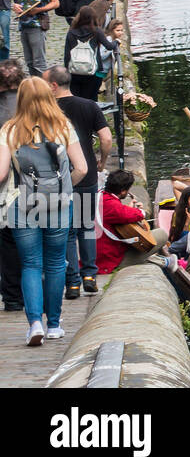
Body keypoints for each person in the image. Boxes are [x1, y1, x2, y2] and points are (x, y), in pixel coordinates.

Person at [0, 76, 88, 345]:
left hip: (22, 205)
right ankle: (54, 325)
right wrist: (62, 189)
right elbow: (82, 168)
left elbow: (1, 173)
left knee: (30, 264)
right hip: (58, 206)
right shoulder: (63, 126)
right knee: (54, 263)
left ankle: (35, 322)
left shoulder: (10, 130)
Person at [45, 66, 111, 298]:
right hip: (87, 175)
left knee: (68, 232)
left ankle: (72, 283)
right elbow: (106, 137)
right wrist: (101, 161)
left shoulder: (47, 111)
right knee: (85, 227)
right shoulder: (89, 105)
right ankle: (90, 276)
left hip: (58, 177)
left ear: (53, 85)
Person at [0, 60, 25, 312]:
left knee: (7, 242)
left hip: (5, 186)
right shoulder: (33, 107)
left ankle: (12, 296)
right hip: (37, 184)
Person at [95, 169, 153, 277]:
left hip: (97, 254)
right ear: (122, 191)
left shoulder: (100, 195)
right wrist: (140, 211)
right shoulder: (113, 206)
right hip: (107, 261)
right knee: (161, 235)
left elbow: (119, 213)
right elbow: (140, 214)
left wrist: (128, 209)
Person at [13, 0, 57, 77]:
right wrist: (18, 8)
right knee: (30, 63)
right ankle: (35, 90)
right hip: (24, 27)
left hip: (37, 26)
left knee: (39, 63)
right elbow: (24, 6)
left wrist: (39, 10)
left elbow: (55, 3)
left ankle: (44, 90)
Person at [64, 3, 117, 100]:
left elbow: (67, 54)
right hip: (93, 71)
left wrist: (67, 70)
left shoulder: (71, 32)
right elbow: (109, 46)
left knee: (76, 99)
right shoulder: (96, 31)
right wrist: (116, 42)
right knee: (91, 98)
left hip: (74, 72)